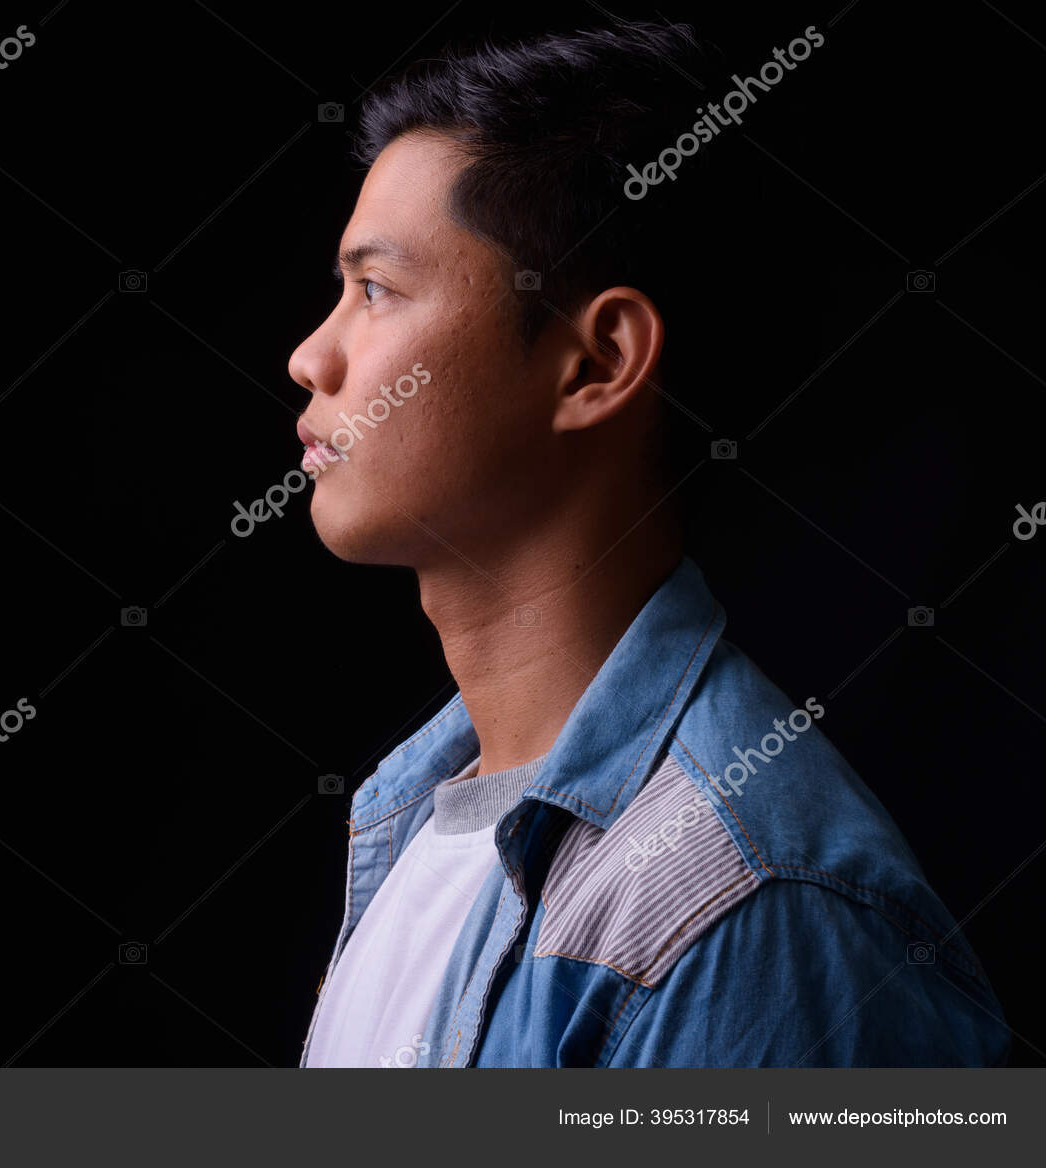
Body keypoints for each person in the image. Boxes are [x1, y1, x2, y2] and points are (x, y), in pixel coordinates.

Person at [288, 22, 1008, 1067]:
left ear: (595, 362)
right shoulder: (410, 825)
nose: (312, 355)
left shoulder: (733, 905)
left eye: (376, 290)